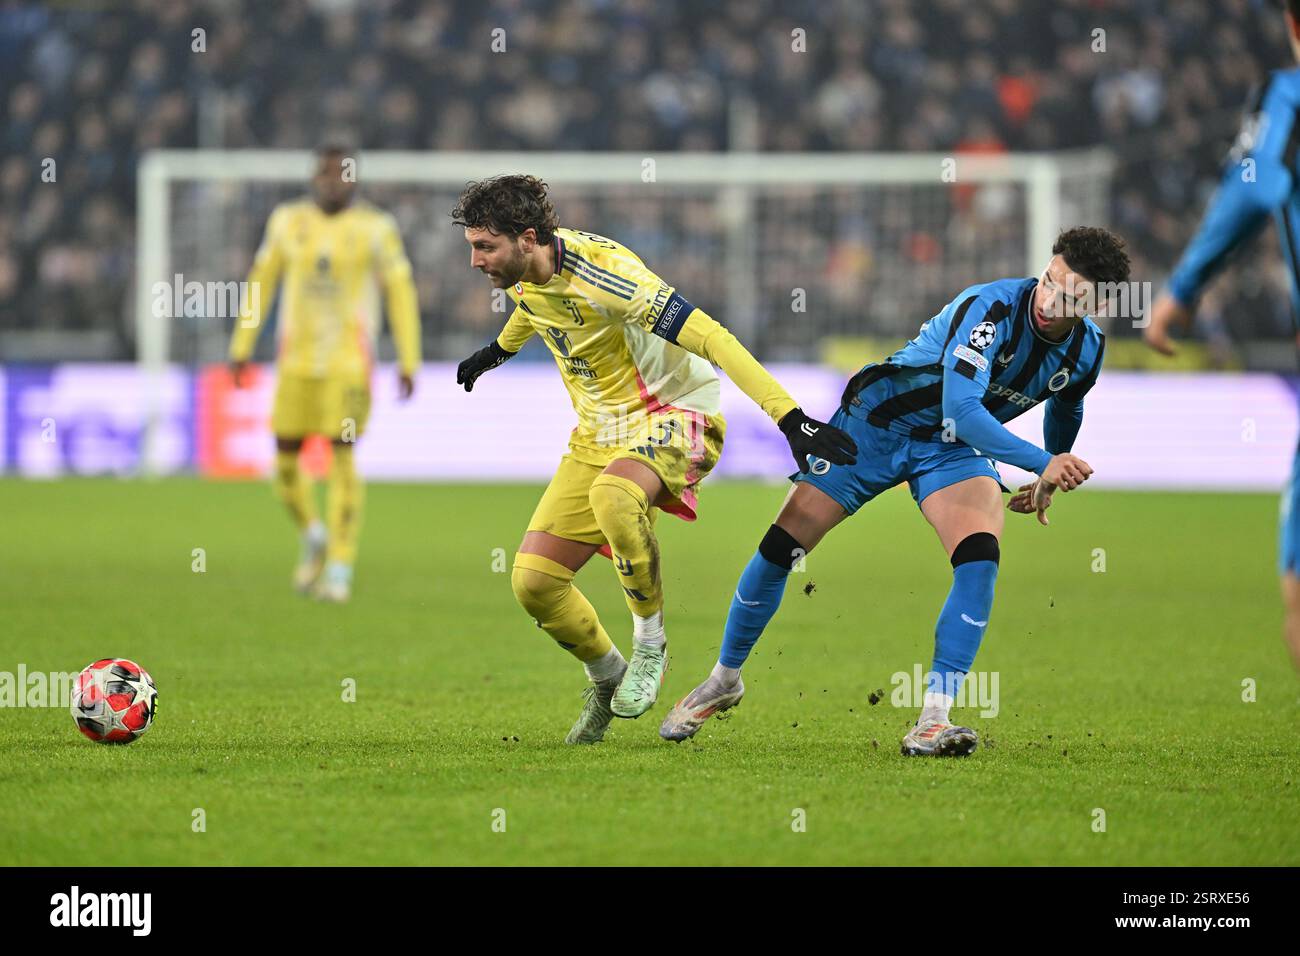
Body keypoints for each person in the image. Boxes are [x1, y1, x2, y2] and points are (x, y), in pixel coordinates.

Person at [662, 227, 1129, 756]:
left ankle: (933, 718)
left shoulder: (1087, 350)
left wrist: (1048, 474)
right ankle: (724, 679)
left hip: (949, 451)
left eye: (1070, 297)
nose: (1050, 300)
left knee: (980, 557)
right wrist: (1045, 461)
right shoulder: (991, 309)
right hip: (878, 423)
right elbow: (963, 411)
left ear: (1097, 303)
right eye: (1049, 281)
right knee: (782, 548)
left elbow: (1066, 403)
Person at [452, 174, 857, 744]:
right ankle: (608, 676)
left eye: (484, 247)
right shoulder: (524, 271)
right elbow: (535, 305)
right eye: (472, 246)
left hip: (675, 414)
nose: (474, 261)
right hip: (597, 433)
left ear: (526, 238)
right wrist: (498, 351)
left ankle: (650, 647)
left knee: (614, 498)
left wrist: (790, 417)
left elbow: (713, 338)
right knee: (533, 584)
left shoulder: (609, 275)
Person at [229, 144, 421, 602]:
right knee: (283, 463)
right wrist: (241, 344)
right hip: (295, 362)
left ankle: (339, 563)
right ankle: (314, 534)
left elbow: (400, 291)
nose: (333, 181)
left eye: (342, 174)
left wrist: (409, 357)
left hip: (348, 365)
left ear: (354, 180)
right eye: (325, 173)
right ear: (314, 177)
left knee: (342, 456)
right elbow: (262, 282)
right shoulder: (286, 221)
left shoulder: (376, 228)